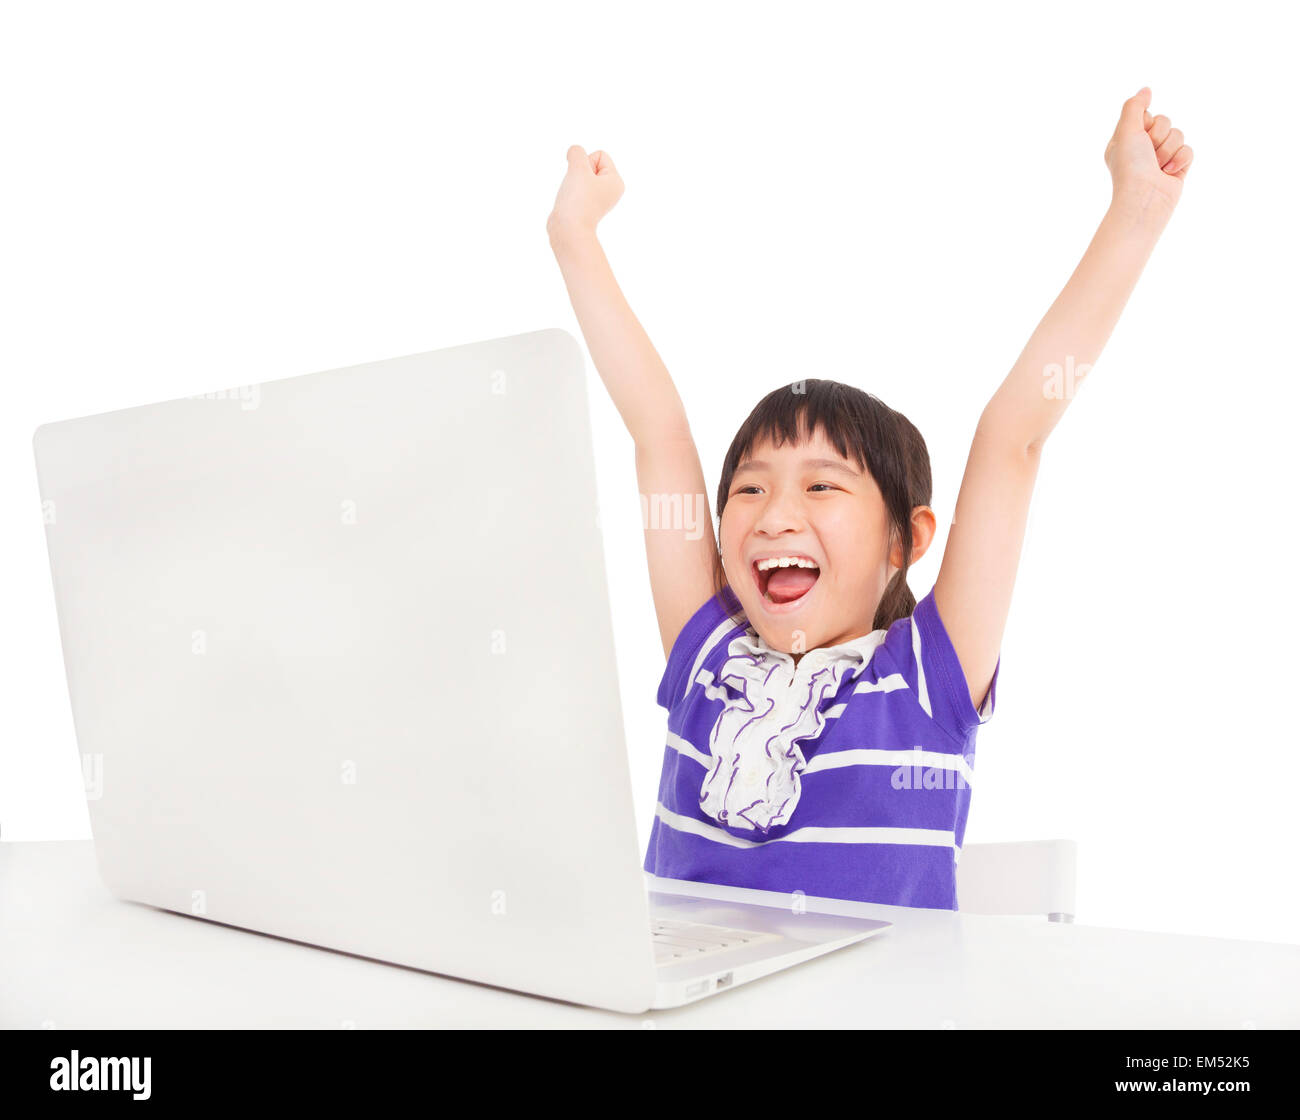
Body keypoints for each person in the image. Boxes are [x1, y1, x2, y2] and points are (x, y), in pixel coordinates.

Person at [545, 89, 1192, 908]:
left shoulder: (927, 676)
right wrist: (576, 238)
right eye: (748, 488)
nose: (775, 513)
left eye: (821, 485)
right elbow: (659, 434)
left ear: (904, 540)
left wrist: (1136, 208)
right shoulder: (708, 654)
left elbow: (1014, 439)